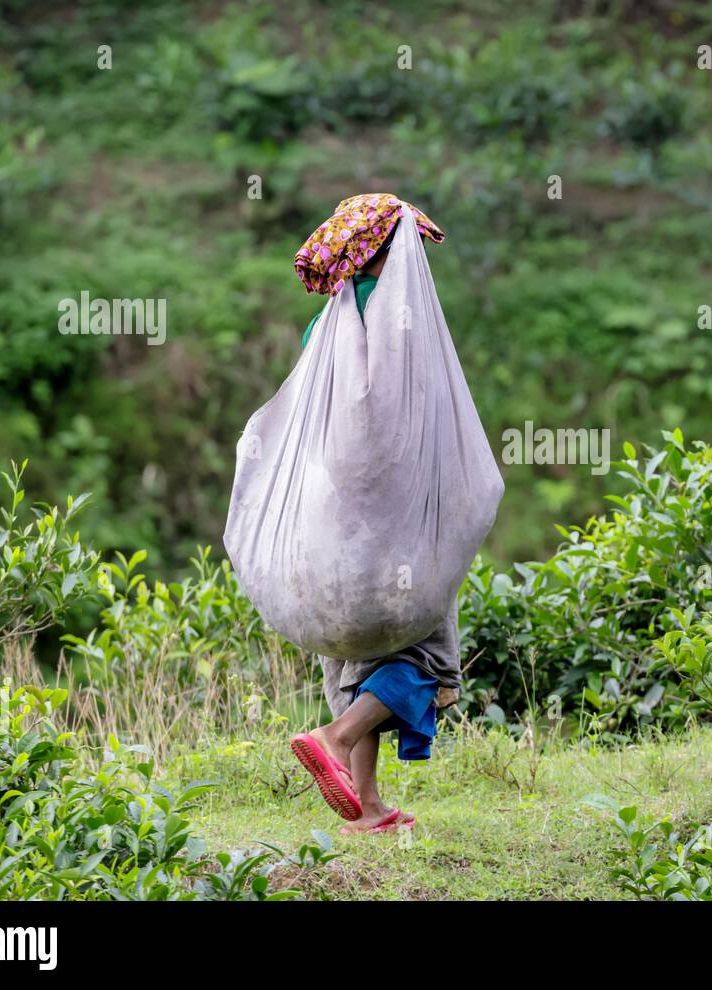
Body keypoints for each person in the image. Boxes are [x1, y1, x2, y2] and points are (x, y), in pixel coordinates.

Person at [287, 193, 456, 835]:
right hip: (393, 529)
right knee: (427, 657)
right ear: (390, 253)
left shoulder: (323, 324)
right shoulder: (400, 316)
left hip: (329, 532)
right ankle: (334, 736)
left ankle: (369, 805)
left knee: (352, 657)